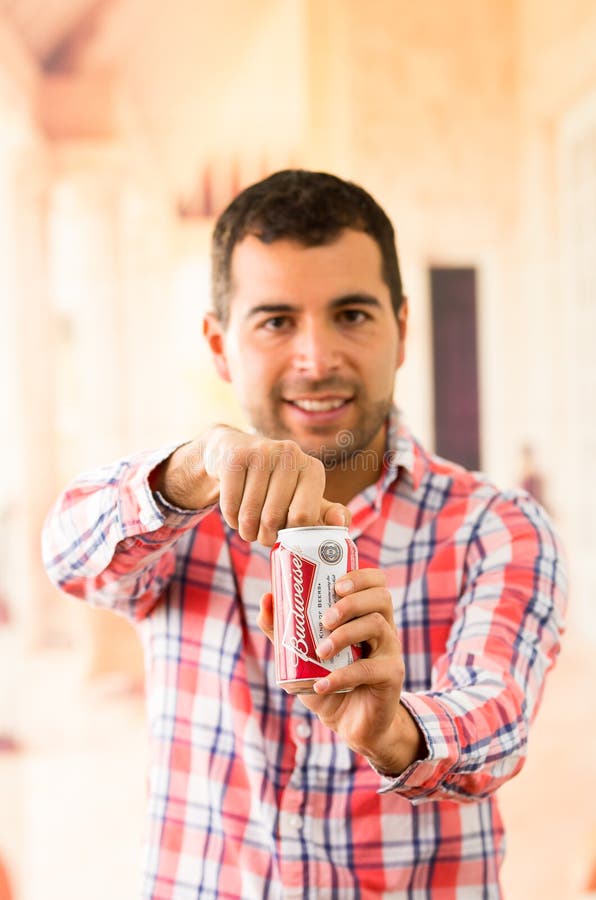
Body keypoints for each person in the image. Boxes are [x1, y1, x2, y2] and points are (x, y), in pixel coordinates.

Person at [42, 169, 567, 899]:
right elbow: (67, 558)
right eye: (276, 321)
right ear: (219, 345)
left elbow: (499, 721)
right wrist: (194, 469)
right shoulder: (177, 518)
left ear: (402, 330)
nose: (316, 360)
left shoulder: (499, 528)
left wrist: (395, 732)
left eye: (351, 314)